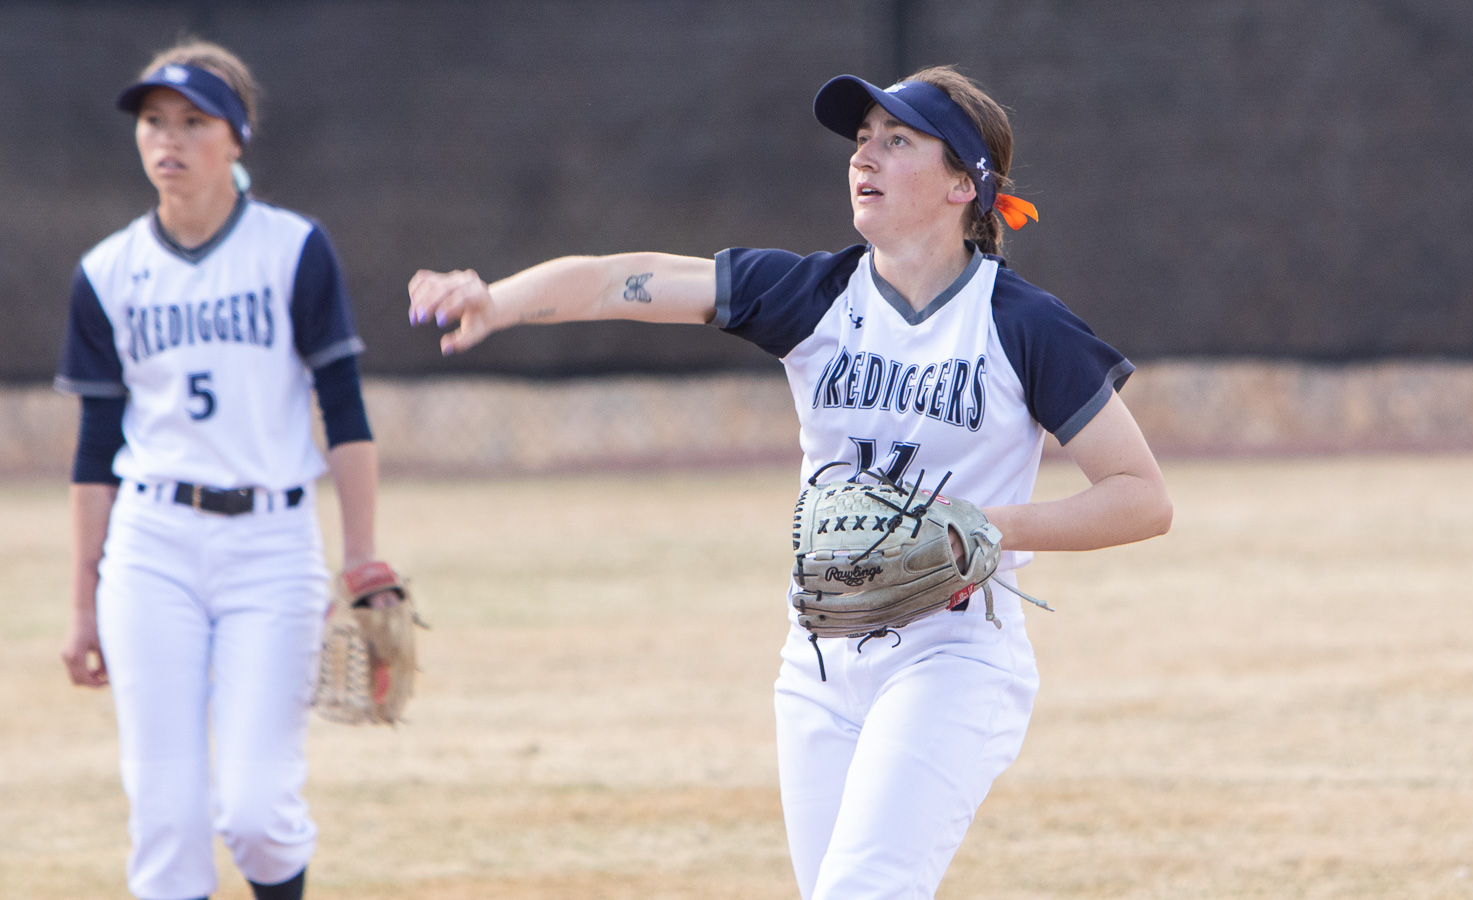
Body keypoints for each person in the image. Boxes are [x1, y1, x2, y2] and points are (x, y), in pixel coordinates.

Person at [408, 65, 1172, 899]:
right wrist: (497, 299)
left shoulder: (1019, 323)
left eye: (898, 141)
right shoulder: (814, 295)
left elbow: (1141, 495)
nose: (865, 158)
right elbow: (613, 280)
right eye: (861, 141)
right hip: (817, 659)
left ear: (964, 183)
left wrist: (982, 527)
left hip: (953, 657)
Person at [56, 39, 396, 900]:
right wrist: (80, 602)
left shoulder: (292, 250)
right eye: (152, 122)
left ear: (235, 139)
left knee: (256, 812)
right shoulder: (107, 272)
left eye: (192, 122)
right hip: (151, 543)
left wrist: (361, 559)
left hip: (271, 545)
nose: (166, 139)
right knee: (166, 821)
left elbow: (344, 412)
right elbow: (97, 449)